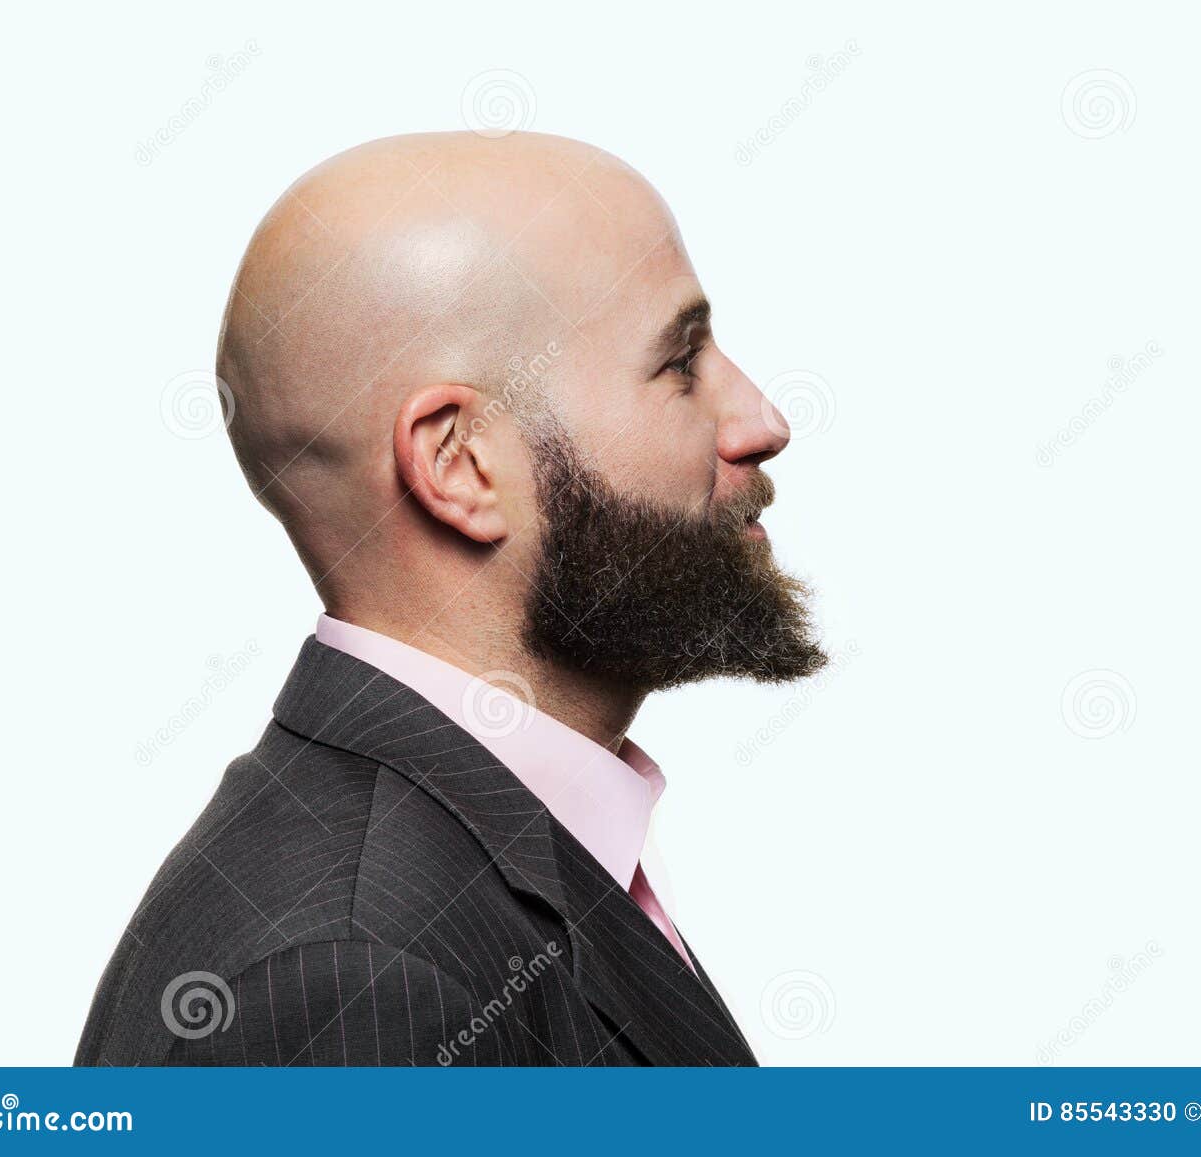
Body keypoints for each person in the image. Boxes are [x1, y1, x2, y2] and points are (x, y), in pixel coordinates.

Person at [76, 131, 827, 1066]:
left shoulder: (478, 857)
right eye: (680, 364)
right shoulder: (355, 979)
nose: (763, 420)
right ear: (459, 464)